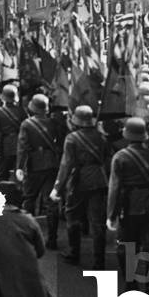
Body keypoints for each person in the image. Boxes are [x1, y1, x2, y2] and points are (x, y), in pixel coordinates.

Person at [107, 117, 149, 297]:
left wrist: (111, 214)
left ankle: (131, 285)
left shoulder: (120, 157)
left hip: (130, 206)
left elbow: (115, 188)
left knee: (126, 247)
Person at [50, 105, 108, 268]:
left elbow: (66, 165)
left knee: (72, 215)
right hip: (99, 178)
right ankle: (99, 261)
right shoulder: (101, 136)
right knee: (98, 222)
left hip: (80, 180)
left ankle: (74, 252)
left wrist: (58, 188)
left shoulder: (72, 138)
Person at [16, 94, 65, 249]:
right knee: (51, 203)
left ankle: (27, 235)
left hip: (34, 165)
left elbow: (23, 147)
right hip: (52, 164)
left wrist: (20, 166)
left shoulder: (27, 124)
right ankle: (52, 239)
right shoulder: (54, 122)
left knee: (29, 199)